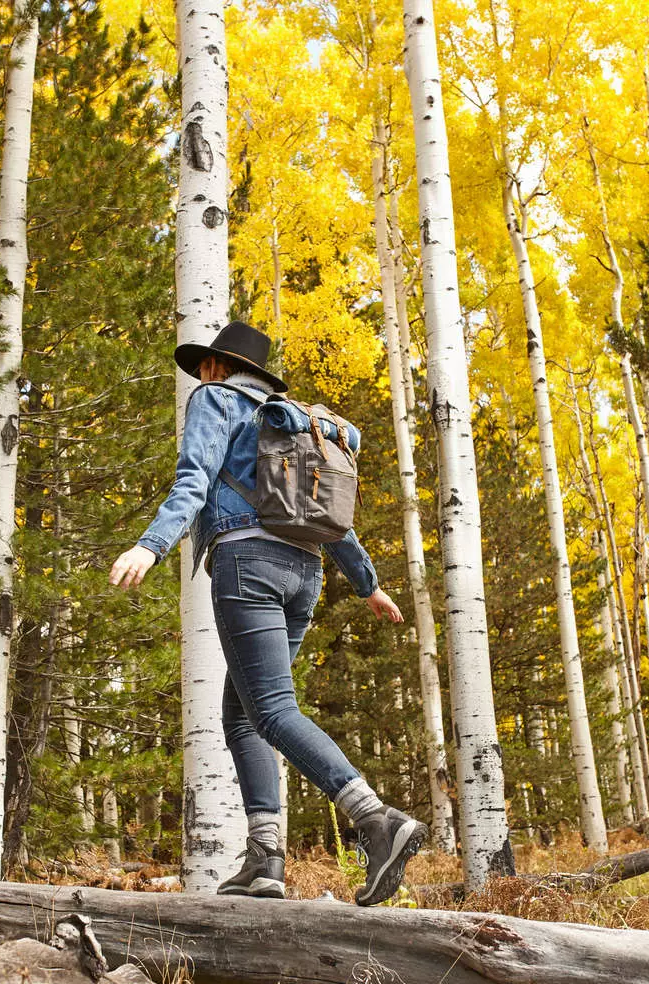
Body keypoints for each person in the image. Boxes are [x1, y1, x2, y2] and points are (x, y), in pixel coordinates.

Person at [109, 321, 425, 906]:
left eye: (204, 366)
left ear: (213, 366)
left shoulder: (216, 399)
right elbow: (330, 518)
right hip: (305, 573)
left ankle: (376, 820)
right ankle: (265, 859)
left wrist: (149, 545)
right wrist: (367, 585)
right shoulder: (292, 421)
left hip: (245, 563)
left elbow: (194, 481)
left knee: (273, 711)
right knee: (242, 714)